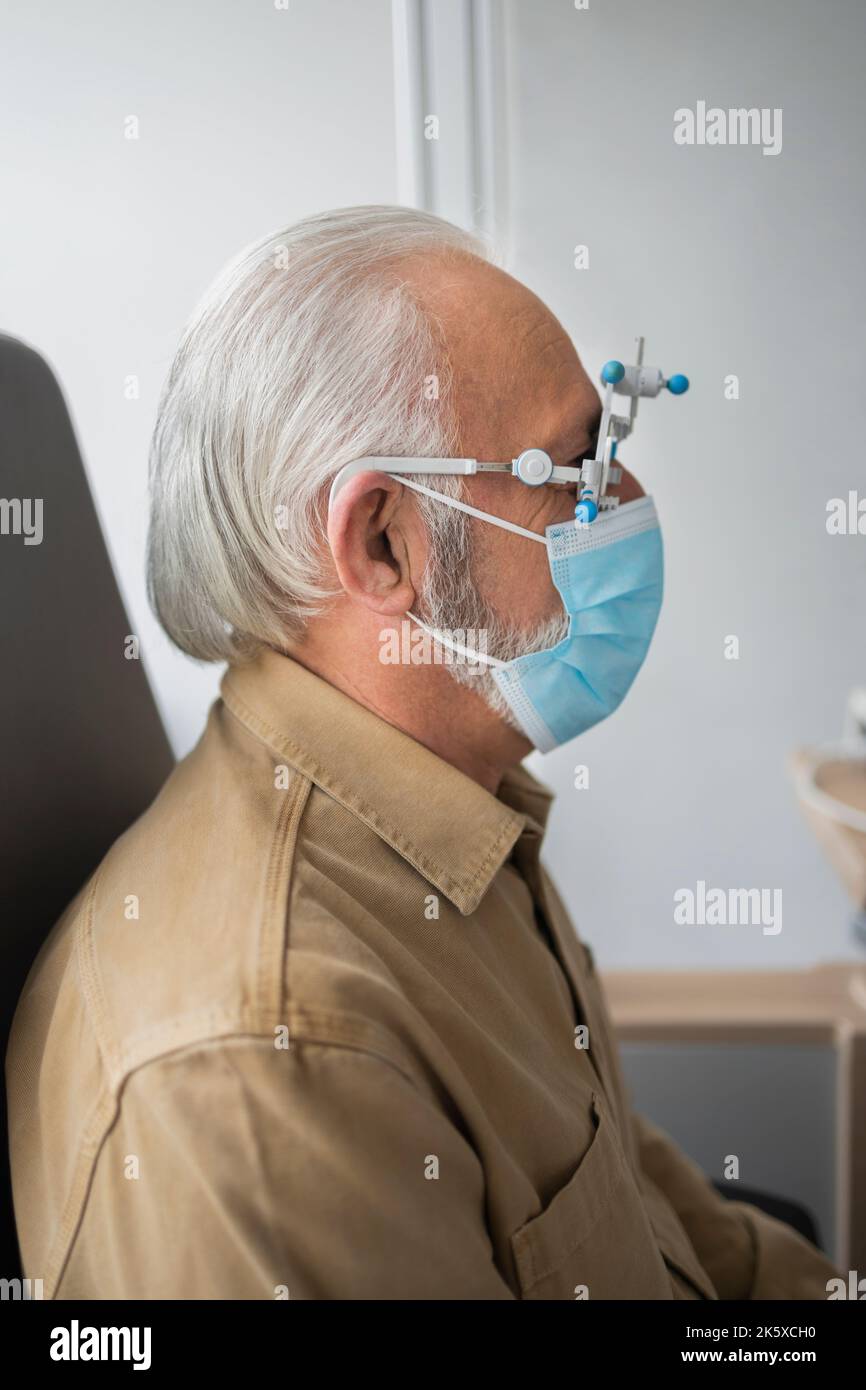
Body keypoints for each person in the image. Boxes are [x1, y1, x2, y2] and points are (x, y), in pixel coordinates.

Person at [6, 206, 843, 1299]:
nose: (628, 507)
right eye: (578, 471)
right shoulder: (267, 1067)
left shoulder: (456, 812)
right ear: (384, 541)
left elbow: (651, 1223)